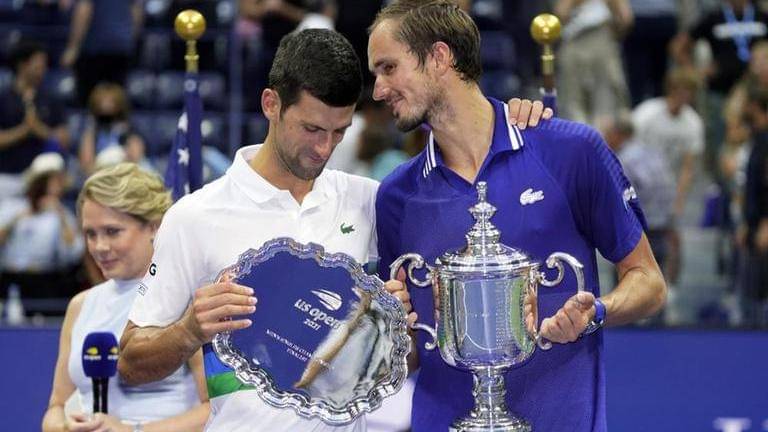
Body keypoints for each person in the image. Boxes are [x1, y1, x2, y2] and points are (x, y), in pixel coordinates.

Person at [117, 28, 549, 432]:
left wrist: (390, 325)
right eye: (311, 129)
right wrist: (190, 329)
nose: (324, 148)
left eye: (338, 132)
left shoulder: (372, 200)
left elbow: (404, 358)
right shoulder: (194, 216)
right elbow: (131, 363)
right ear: (271, 104)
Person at [368, 2, 666, 431]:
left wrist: (596, 312)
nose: (378, 90)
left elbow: (649, 282)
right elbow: (413, 352)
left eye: (389, 68)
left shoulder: (570, 151)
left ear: (439, 58)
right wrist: (393, 330)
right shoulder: (396, 196)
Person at [41, 163, 210, 432]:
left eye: (112, 231)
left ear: (154, 227)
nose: (100, 247)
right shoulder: (80, 305)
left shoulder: (188, 299)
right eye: (90, 234)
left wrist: (134, 431)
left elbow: (214, 409)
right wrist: (64, 427)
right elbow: (56, 406)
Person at [0, 152, 83, 315]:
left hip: (43, 280)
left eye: (58, 181)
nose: (55, 187)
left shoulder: (61, 214)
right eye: (50, 181)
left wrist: (61, 216)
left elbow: (73, 252)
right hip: (10, 278)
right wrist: (17, 220)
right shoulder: (12, 207)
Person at [0, 39, 68, 199]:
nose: (43, 69)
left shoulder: (51, 99)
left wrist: (39, 129)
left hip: (41, 179)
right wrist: (24, 130)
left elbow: (64, 140)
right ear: (22, 65)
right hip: (6, 176)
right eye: (38, 64)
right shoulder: (2, 98)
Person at [61, 0, 143, 107]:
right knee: (117, 100)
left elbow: (84, 10)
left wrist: (73, 48)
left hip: (93, 47)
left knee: (88, 100)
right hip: (122, 48)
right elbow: (137, 12)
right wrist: (128, 39)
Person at [78, 82, 147, 175]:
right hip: (99, 174)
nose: (106, 105)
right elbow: (86, 162)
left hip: (125, 173)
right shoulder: (92, 130)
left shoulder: (129, 128)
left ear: (118, 103)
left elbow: (136, 157)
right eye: (103, 101)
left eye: (110, 101)